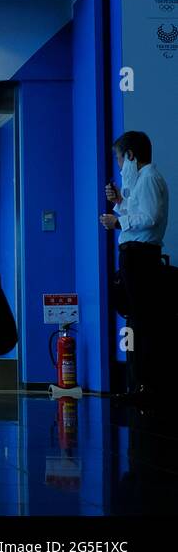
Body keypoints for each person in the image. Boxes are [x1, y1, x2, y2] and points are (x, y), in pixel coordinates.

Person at [101, 131, 169, 405]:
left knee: (141, 320)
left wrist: (118, 222)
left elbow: (151, 217)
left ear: (130, 156)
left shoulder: (149, 177)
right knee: (135, 318)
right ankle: (137, 383)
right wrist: (120, 202)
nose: (119, 166)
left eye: (119, 159)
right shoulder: (142, 180)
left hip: (141, 257)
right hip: (134, 256)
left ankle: (145, 385)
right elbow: (140, 211)